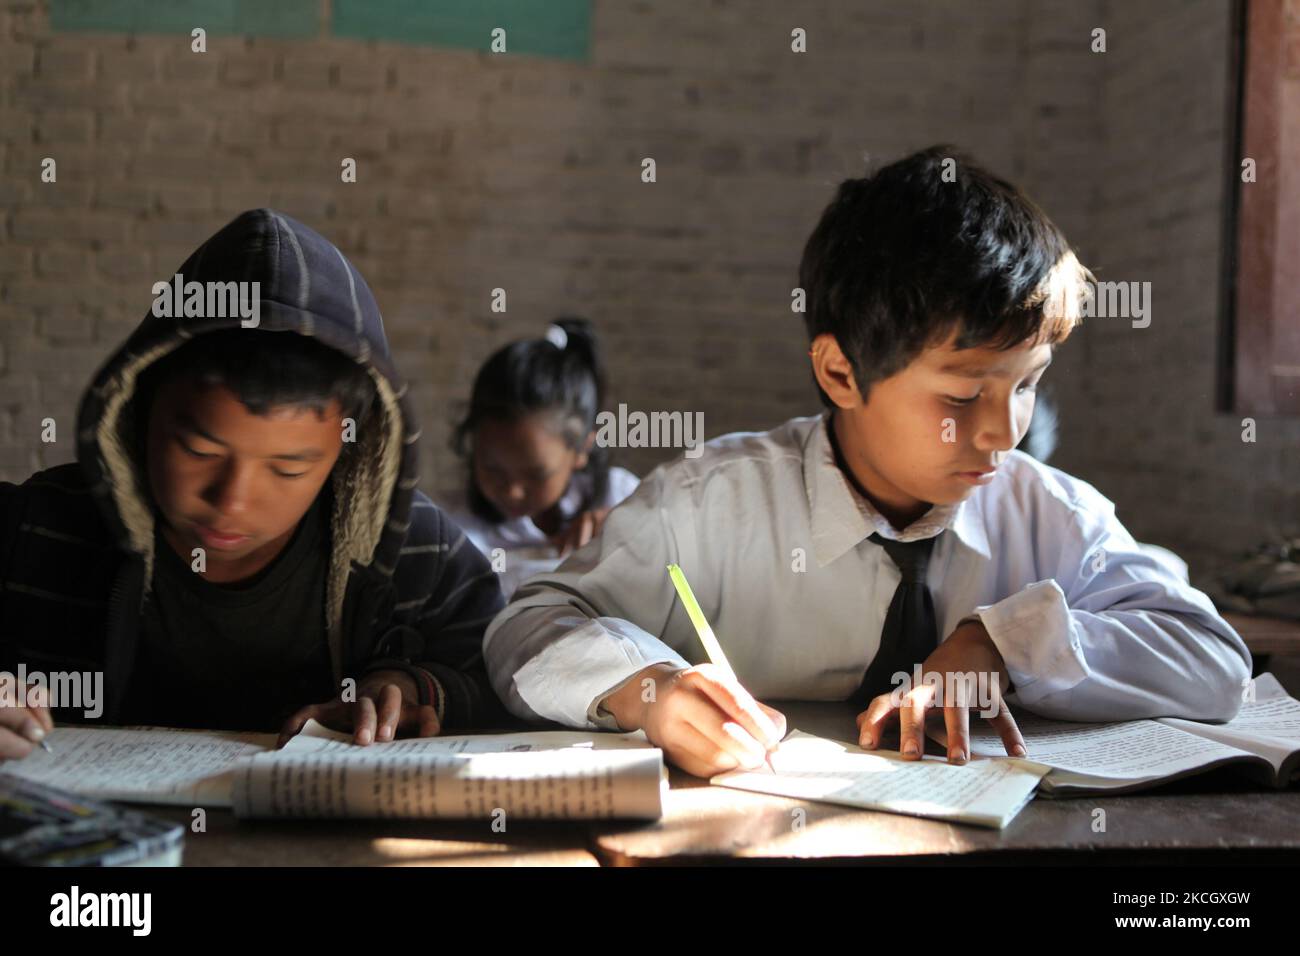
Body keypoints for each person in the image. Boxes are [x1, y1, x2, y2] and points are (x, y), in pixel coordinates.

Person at [481, 145, 1252, 778]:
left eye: (1028, 385)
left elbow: (1213, 660)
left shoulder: (1048, 514)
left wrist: (1006, 644)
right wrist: (647, 691)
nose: (1003, 433)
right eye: (960, 399)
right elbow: (528, 626)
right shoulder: (711, 506)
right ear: (841, 373)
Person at [0, 209, 506, 759]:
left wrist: (408, 689)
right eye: (199, 450)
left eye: (288, 468)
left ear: (351, 450)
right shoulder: (36, 530)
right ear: (136, 411)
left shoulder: (418, 553)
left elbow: (502, 677)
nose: (232, 501)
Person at [441, 318, 639, 597]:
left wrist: (632, 536)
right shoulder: (453, 529)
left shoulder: (621, 499)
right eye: (493, 469)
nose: (512, 491)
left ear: (582, 449)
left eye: (536, 475)